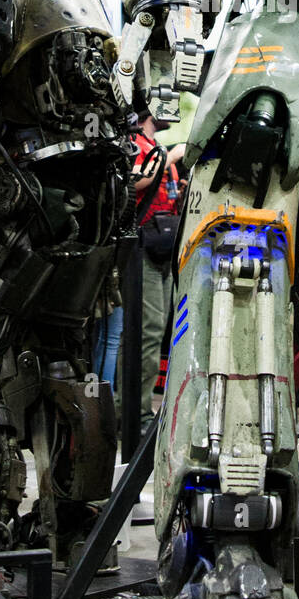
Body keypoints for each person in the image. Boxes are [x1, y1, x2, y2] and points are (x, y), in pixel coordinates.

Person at [132, 112, 184, 432]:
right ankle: (135, 413)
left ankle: (138, 409)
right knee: (146, 333)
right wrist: (169, 157)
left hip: (164, 250)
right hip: (142, 248)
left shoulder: (156, 146)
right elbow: (136, 179)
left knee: (157, 329)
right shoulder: (136, 144)